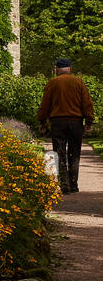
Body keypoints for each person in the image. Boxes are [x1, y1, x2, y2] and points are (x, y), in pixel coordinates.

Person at [38, 58, 95, 194]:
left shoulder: (52, 83)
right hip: (76, 121)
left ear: (57, 69)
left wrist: (42, 122)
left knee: (59, 152)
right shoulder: (79, 82)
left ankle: (64, 185)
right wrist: (89, 121)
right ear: (70, 68)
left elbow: (45, 105)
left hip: (58, 122)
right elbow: (87, 103)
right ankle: (73, 184)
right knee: (75, 154)